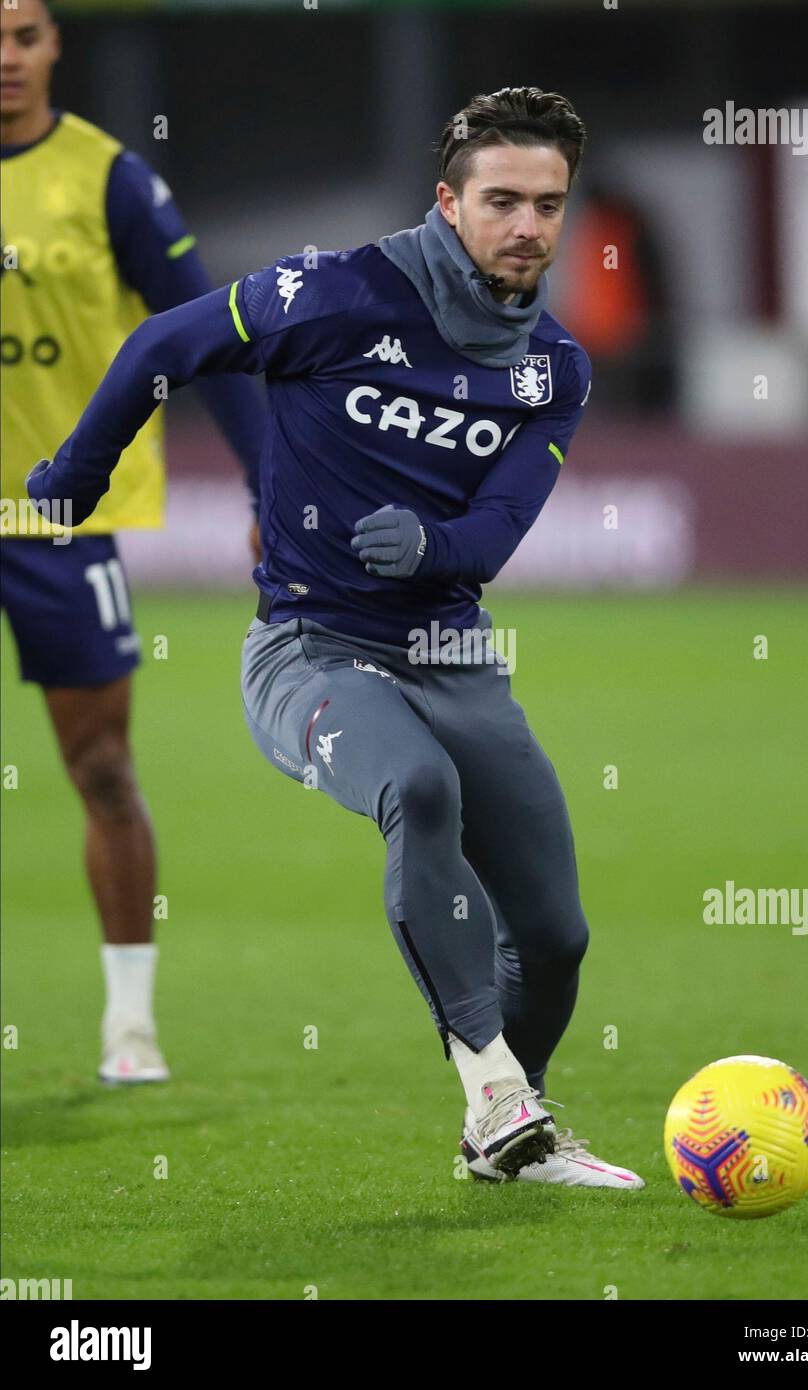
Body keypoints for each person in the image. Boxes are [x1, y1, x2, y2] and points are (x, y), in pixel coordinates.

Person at [28, 85, 646, 1188]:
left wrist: (438, 547)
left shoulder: (553, 364)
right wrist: (77, 475)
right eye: (501, 200)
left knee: (552, 936)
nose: (527, 227)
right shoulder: (337, 290)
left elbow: (499, 527)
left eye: (547, 205)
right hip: (311, 649)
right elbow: (164, 342)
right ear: (447, 204)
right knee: (414, 789)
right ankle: (494, 1093)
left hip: (453, 655)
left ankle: (502, 1139)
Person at [1, 0, 265, 1084]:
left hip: (59, 519)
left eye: (23, 35)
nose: (3, 58)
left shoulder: (109, 179)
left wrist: (269, 479)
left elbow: (204, 330)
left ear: (58, 44)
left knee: (102, 764)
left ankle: (129, 1024)